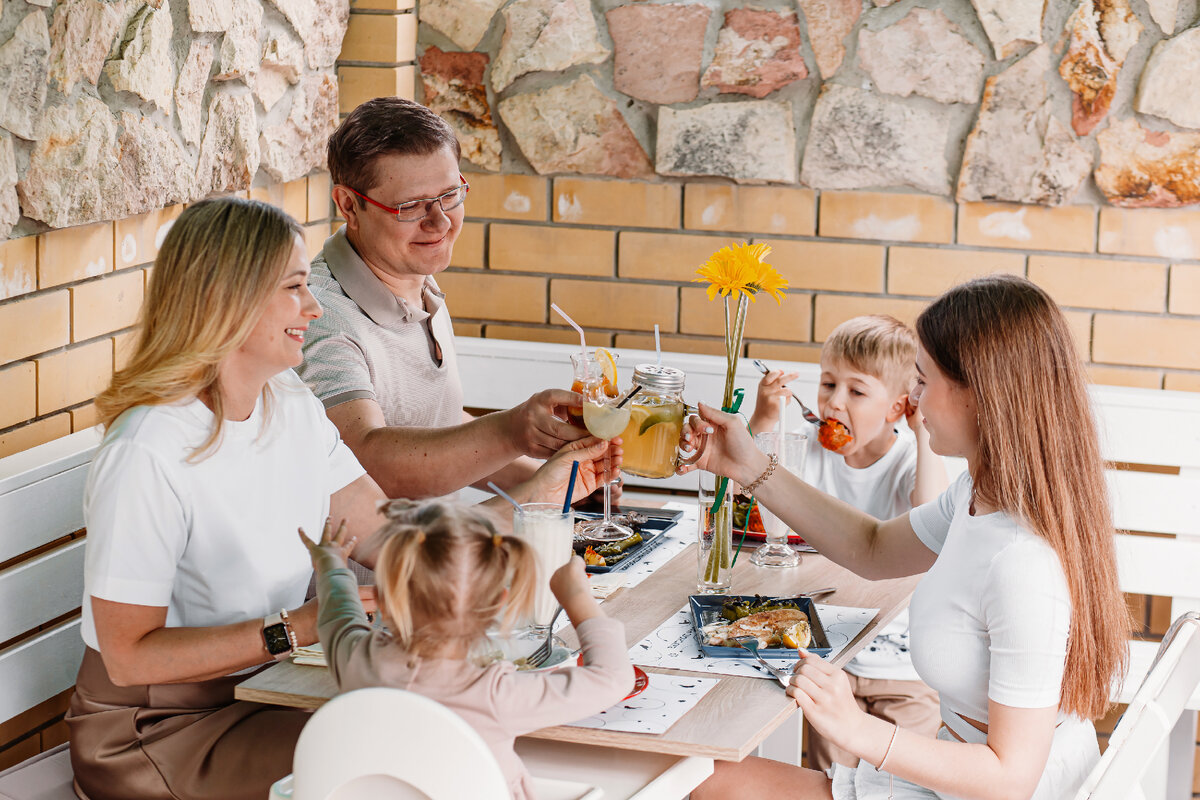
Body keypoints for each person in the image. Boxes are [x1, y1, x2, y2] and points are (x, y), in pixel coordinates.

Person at [65, 197, 612, 800]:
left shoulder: (289, 403)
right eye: (296, 288)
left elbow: (387, 535)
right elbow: (129, 660)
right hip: (157, 734)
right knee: (423, 760)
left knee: (451, 743)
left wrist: (542, 493)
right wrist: (299, 627)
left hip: (269, 691)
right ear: (231, 300)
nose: (315, 306)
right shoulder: (148, 449)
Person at [687, 275, 1129, 800]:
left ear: (980, 394)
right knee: (703, 779)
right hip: (953, 772)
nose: (913, 401)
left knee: (703, 783)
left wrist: (855, 729)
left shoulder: (1023, 561)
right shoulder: (978, 493)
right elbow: (871, 548)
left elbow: (1011, 779)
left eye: (923, 380)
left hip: (990, 789)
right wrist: (749, 465)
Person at [297, 97, 590, 500]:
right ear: (349, 205)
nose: (441, 222)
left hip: (436, 557)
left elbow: (436, 429)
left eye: (450, 195)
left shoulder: (415, 276)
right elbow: (363, 463)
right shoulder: (320, 315)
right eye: (411, 206)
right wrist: (510, 431)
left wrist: (566, 481)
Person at [301, 503, 633, 800]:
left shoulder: (358, 659)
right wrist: (577, 597)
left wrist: (332, 567)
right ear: (497, 608)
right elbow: (613, 678)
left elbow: (338, 615)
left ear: (383, 597)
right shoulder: (496, 695)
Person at [748, 316, 946, 773]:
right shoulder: (809, 451)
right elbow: (760, 488)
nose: (834, 402)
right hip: (830, 659)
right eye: (828, 384)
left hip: (906, 671)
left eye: (856, 392)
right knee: (832, 782)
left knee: (904, 786)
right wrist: (764, 418)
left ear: (899, 408)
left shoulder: (908, 463)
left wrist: (923, 435)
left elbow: (932, 515)